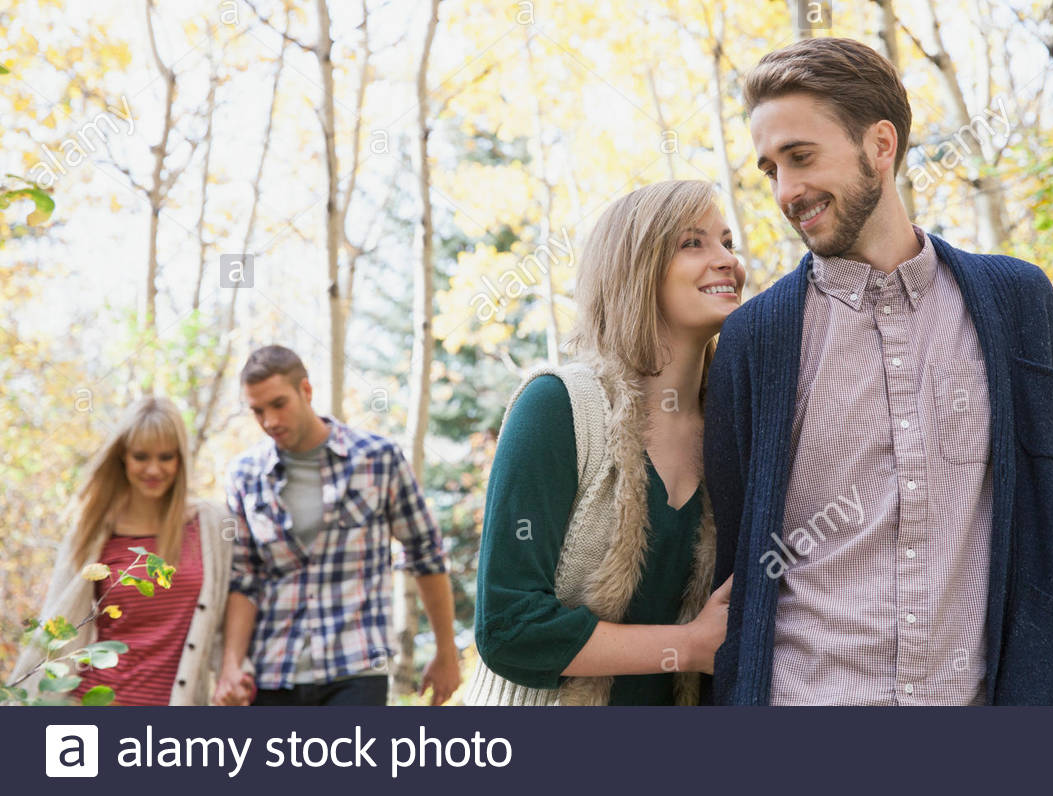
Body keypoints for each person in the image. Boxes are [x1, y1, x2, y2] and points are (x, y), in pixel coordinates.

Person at [705, 37, 1053, 706]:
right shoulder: (754, 339)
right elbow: (734, 566)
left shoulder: (1016, 305)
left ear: (880, 145)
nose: (786, 191)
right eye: (769, 169)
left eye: (801, 157)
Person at [466, 180, 739, 705]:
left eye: (727, 242)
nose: (726, 259)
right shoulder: (556, 407)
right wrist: (686, 646)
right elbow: (508, 627)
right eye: (693, 243)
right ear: (635, 268)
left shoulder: (731, 427)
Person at [213, 345, 460, 706]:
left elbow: (426, 553)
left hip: (356, 667)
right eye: (258, 411)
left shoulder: (378, 459)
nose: (270, 421)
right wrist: (231, 666)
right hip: (273, 671)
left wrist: (446, 651)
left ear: (306, 391)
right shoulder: (245, 475)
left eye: (279, 404)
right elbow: (244, 578)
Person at [9, 396, 242, 705]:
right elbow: (59, 626)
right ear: (123, 457)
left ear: (180, 459)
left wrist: (235, 672)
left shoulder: (212, 525)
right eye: (141, 456)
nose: (153, 469)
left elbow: (231, 609)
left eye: (166, 457)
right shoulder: (93, 530)